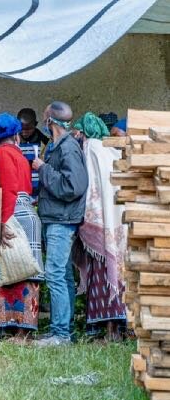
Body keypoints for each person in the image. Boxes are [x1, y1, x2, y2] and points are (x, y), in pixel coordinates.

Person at [31, 101, 88, 347]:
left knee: (54, 274)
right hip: (56, 217)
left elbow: (73, 186)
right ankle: (64, 330)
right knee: (62, 275)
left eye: (45, 115)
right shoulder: (58, 146)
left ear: (50, 120)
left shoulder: (68, 148)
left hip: (62, 220)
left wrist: (43, 169)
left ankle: (60, 334)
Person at [0, 113, 44, 342]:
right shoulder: (20, 154)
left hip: (13, 213)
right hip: (28, 211)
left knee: (14, 272)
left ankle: (19, 331)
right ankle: (23, 329)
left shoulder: (1, 154)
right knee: (28, 271)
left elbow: (9, 189)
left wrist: (2, 222)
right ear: (15, 133)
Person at [72, 112, 126, 342]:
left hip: (99, 221)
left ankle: (108, 329)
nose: (76, 135)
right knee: (117, 275)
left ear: (86, 132)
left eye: (79, 131)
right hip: (115, 220)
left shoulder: (91, 148)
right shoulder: (109, 149)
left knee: (102, 277)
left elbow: (91, 186)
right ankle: (119, 329)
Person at [17, 108, 49, 197]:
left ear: (35, 125)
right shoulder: (14, 139)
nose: (24, 132)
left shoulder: (41, 138)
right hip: (21, 183)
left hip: (38, 182)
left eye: (28, 129)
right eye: (21, 129)